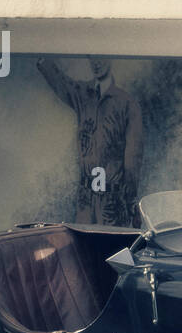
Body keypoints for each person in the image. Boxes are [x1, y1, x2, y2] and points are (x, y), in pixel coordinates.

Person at [36, 56, 143, 227]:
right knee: (83, 249)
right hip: (85, 200)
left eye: (101, 57)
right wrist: (42, 57)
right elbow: (61, 83)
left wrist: (130, 201)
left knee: (109, 251)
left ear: (111, 59)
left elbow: (133, 158)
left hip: (112, 204)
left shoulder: (127, 104)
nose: (97, 62)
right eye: (92, 57)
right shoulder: (83, 94)